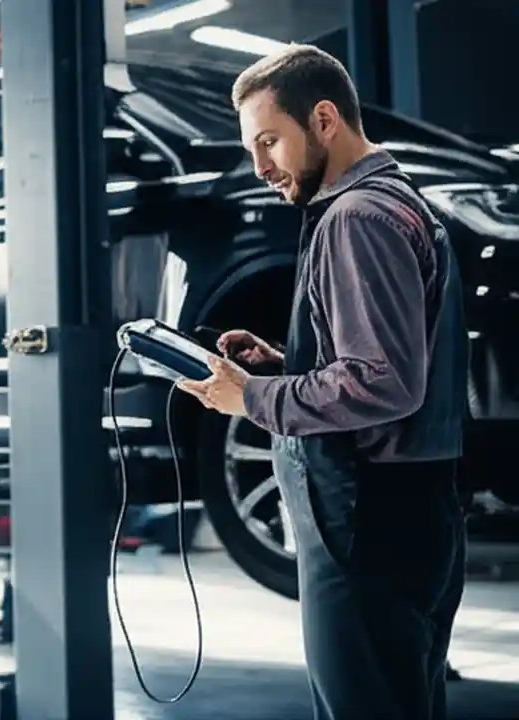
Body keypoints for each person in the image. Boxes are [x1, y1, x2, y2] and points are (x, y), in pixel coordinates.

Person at [176, 45, 469, 720]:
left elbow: (386, 383)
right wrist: (284, 363)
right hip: (414, 514)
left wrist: (248, 397)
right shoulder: (402, 204)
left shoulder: (355, 218)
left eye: (271, 141)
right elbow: (393, 360)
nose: (261, 167)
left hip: (365, 525)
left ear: (326, 118)